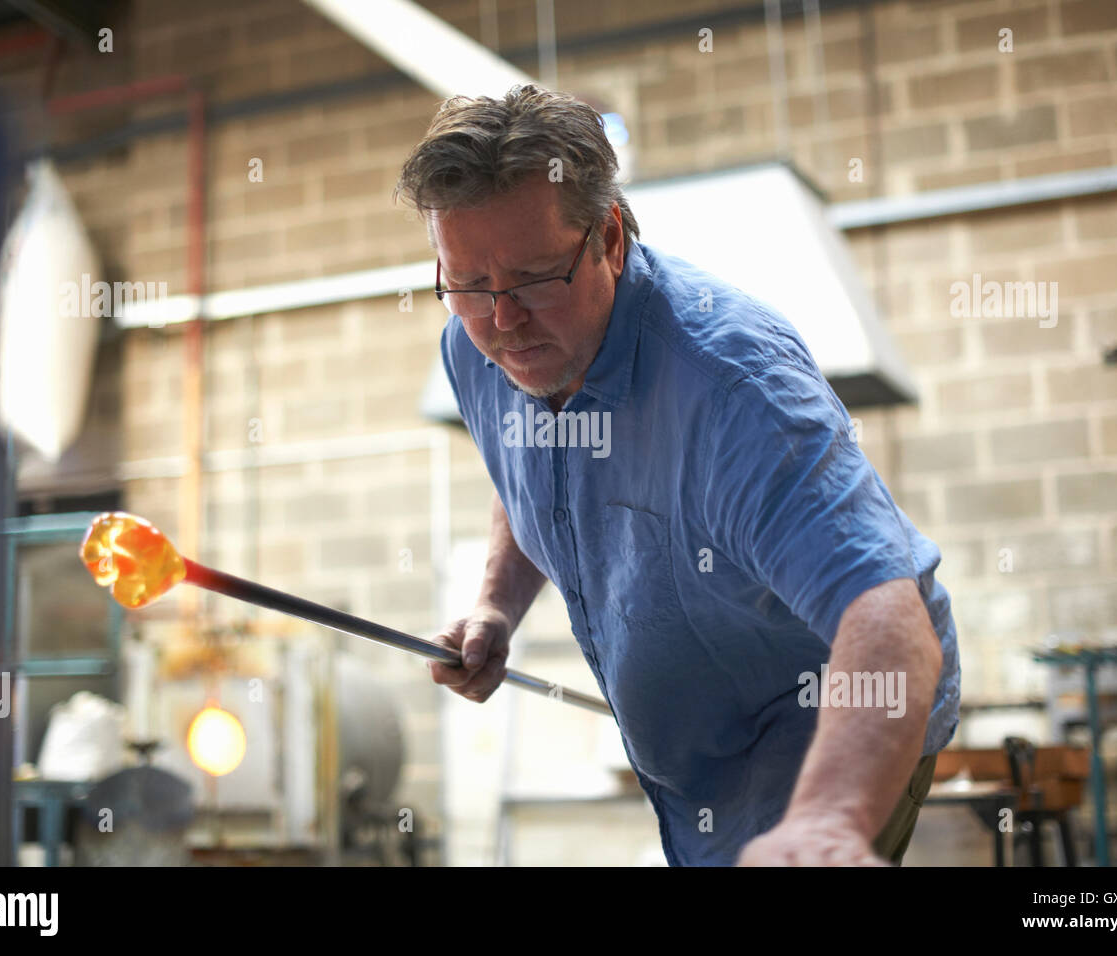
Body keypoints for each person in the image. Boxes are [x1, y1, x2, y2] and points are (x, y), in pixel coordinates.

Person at [393, 85, 961, 866]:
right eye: (467, 286)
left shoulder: (734, 392)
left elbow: (893, 626)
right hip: (694, 757)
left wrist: (827, 821)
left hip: (820, 731)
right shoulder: (481, 347)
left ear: (611, 238)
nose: (503, 321)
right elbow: (527, 462)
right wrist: (495, 604)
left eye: (531, 279)